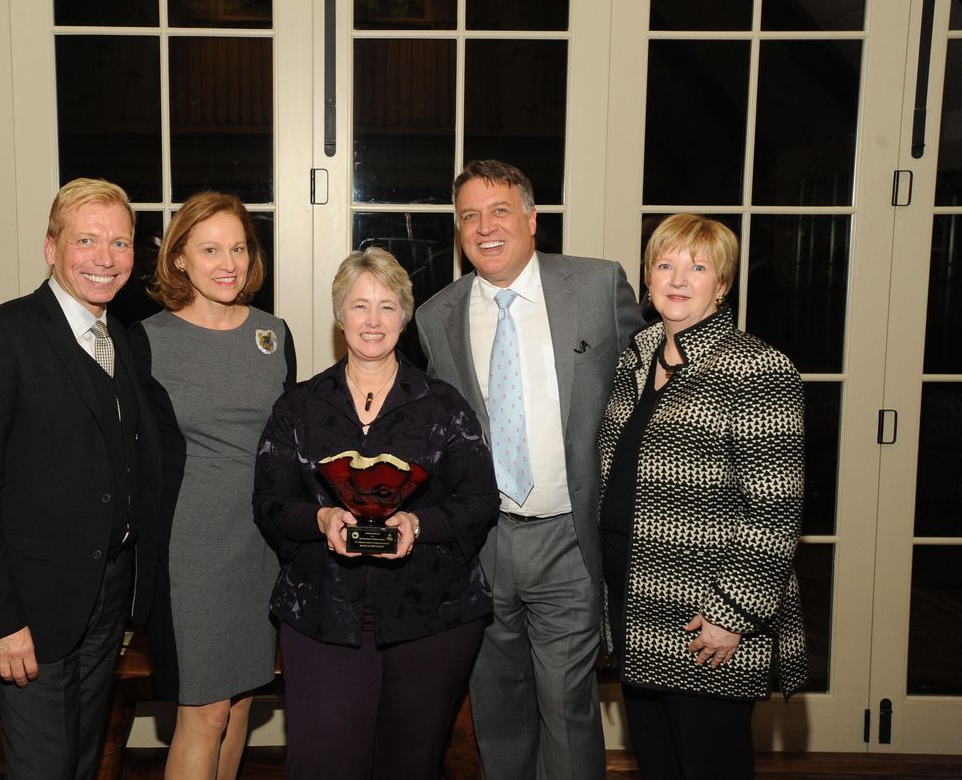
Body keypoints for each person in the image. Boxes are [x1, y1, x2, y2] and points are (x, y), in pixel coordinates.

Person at [0, 178, 183, 779]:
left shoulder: (120, 340)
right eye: (87, 240)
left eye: (120, 243)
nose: (105, 258)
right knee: (43, 766)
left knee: (79, 760)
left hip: (104, 602)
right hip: (30, 609)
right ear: (51, 248)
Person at [416, 159, 643, 779]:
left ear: (532, 218)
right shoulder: (438, 316)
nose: (485, 227)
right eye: (469, 216)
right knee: (497, 702)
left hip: (570, 536)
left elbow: (650, 384)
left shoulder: (597, 288)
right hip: (483, 544)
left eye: (499, 211)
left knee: (568, 702)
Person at [254, 247, 499, 780]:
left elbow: (480, 502)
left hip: (434, 616)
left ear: (404, 317)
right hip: (321, 611)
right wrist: (321, 521)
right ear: (340, 316)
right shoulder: (299, 406)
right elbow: (270, 504)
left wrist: (418, 524)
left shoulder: (444, 405)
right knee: (322, 763)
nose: (372, 320)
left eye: (387, 306)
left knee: (409, 764)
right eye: (359, 306)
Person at [598, 214, 807, 778]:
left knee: (711, 763)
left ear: (723, 284)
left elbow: (774, 512)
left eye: (698, 266)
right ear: (648, 277)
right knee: (659, 761)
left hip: (704, 616)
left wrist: (732, 614)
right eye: (665, 265)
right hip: (633, 600)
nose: (678, 278)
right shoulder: (636, 357)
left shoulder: (757, 366)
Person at [129, 191, 295, 780]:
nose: (228, 263)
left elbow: (288, 445)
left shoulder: (273, 334)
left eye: (238, 248)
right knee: (204, 711)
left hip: (263, 548)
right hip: (190, 547)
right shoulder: (145, 341)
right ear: (179, 260)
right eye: (209, 249)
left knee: (243, 700)